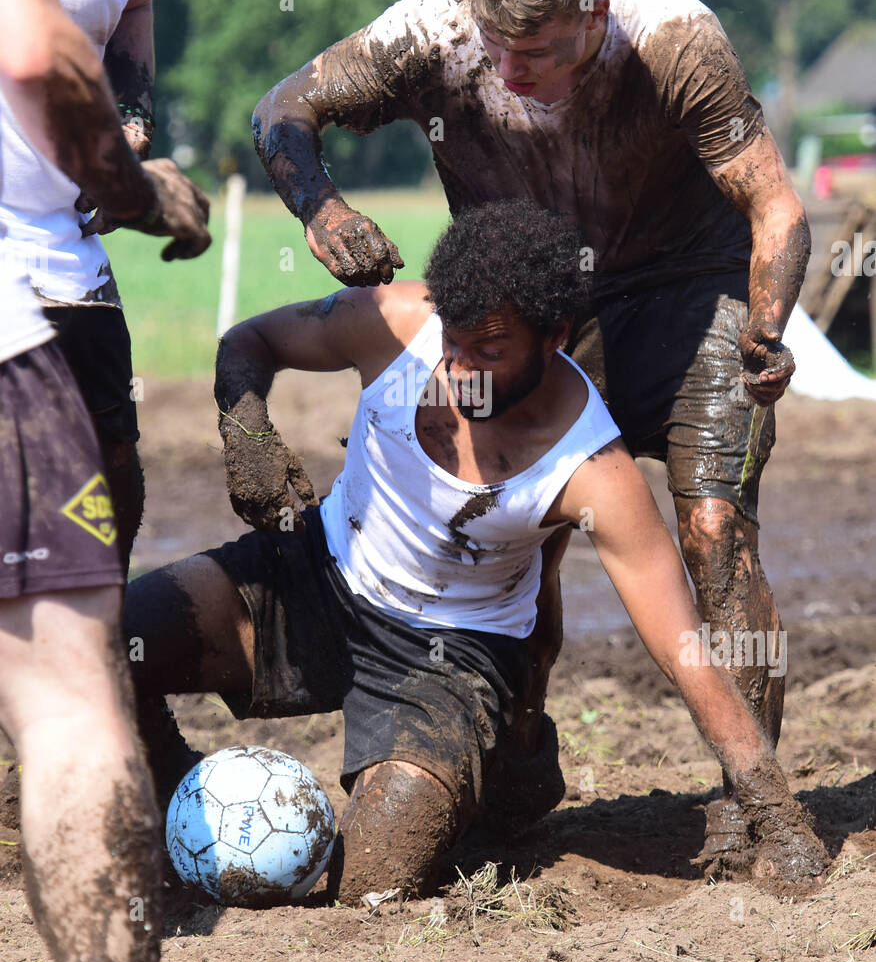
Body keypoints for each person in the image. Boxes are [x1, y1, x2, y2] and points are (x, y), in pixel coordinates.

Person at [251, 0, 810, 874]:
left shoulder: (673, 38)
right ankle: (514, 760)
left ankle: (747, 798)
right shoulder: (430, 32)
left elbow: (775, 205)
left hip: (692, 284)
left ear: (594, 17)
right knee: (528, 536)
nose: (512, 71)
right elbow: (281, 111)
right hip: (548, 297)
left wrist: (767, 325)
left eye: (540, 50)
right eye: (498, 45)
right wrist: (321, 209)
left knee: (714, 526)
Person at [125, 202, 827, 906]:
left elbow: (683, 647)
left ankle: (502, 761)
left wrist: (775, 811)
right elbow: (250, 340)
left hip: (447, 659)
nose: (461, 371)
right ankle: (170, 796)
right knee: (107, 644)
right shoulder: (393, 324)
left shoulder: (591, 468)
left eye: (488, 351)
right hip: (313, 572)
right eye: (452, 344)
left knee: (377, 884)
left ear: (554, 336)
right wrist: (246, 429)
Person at [0, 0, 211, 962]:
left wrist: (132, 135)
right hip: (12, 284)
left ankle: (140, 743)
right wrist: (136, 186)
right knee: (60, 663)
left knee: (108, 504)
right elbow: (39, 50)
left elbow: (125, 48)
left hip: (62, 274)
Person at [0, 0, 211, 574]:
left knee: (112, 474)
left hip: (68, 233)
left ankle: (96, 662)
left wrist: (130, 123)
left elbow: (135, 7)